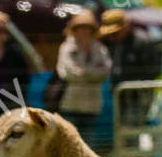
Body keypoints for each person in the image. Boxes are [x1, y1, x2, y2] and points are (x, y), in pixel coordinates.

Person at [56, 10, 112, 148]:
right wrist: (92, 74)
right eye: (81, 28)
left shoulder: (100, 49)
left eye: (87, 28)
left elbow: (105, 72)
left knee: (88, 145)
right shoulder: (67, 48)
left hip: (92, 105)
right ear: (75, 30)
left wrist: (83, 72)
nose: (84, 31)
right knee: (69, 145)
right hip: (71, 104)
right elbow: (68, 74)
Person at [99, 9, 156, 133]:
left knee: (130, 132)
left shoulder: (142, 42)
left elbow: (152, 71)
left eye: (115, 33)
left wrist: (128, 81)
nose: (112, 37)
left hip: (137, 98)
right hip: (118, 97)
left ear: (126, 27)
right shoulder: (110, 43)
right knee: (120, 131)